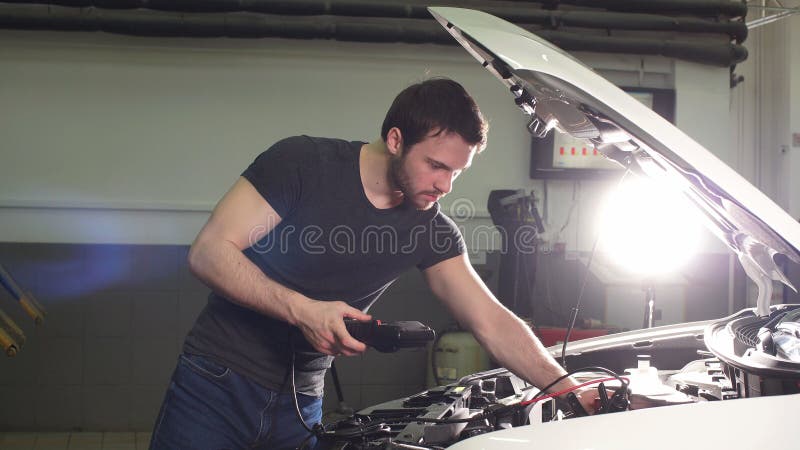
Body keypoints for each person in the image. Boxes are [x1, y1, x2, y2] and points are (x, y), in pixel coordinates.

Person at [150, 78, 595, 450]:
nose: (445, 186)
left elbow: (492, 321)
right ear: (396, 139)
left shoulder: (431, 230)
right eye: (435, 166)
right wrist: (304, 310)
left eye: (456, 173)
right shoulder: (302, 164)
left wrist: (568, 389)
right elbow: (209, 252)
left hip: (301, 399)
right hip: (216, 382)